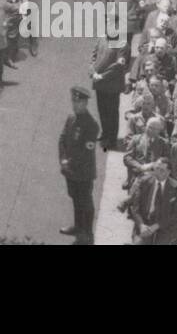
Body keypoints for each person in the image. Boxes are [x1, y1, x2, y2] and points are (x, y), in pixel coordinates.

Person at [59, 85, 99, 244]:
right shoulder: (71, 118)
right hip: (70, 169)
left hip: (83, 171)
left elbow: (86, 151)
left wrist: (69, 162)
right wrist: (63, 159)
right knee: (75, 198)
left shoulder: (91, 125)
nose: (75, 105)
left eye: (79, 102)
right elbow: (62, 139)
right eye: (74, 101)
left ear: (85, 103)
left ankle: (87, 233)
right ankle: (77, 227)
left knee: (85, 201)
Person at [126, 155, 177, 245]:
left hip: (165, 226)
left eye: (162, 170)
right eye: (157, 168)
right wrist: (141, 225)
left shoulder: (176, 187)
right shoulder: (144, 181)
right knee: (139, 243)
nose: (158, 172)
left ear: (168, 172)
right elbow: (135, 207)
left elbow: (176, 214)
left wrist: (157, 225)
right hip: (144, 222)